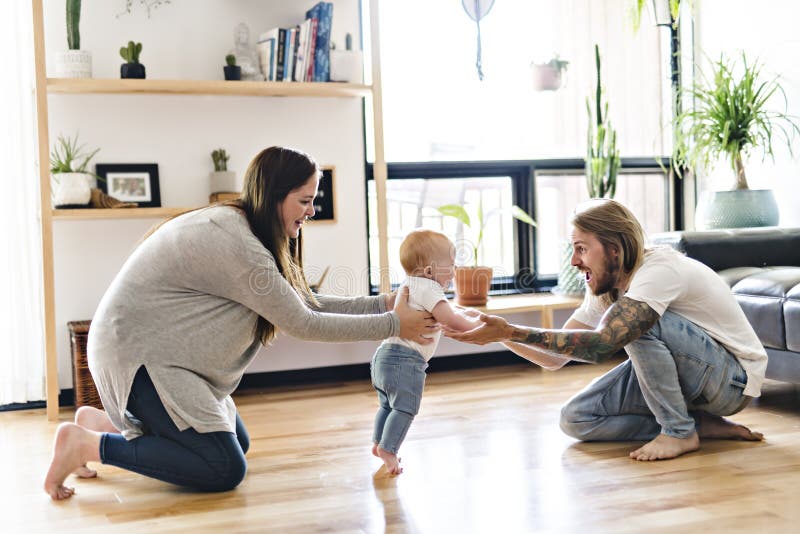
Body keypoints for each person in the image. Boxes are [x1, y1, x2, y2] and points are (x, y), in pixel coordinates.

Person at [44, 146, 437, 500]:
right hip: (139, 356)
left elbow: (300, 301)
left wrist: (383, 305)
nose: (311, 211)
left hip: (163, 358)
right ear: (275, 196)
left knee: (236, 443)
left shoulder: (247, 229)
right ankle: (86, 445)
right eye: (304, 200)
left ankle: (102, 426)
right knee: (222, 467)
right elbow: (303, 323)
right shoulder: (237, 243)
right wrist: (392, 325)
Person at [447, 198, 766, 461]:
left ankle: (678, 432)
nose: (574, 261)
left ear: (614, 249)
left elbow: (601, 345)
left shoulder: (657, 270)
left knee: (633, 324)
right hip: (690, 375)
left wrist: (512, 331)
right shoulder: (607, 284)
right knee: (575, 419)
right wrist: (500, 333)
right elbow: (553, 359)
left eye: (582, 248)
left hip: (732, 381)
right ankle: (696, 424)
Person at [371, 229, 480, 474]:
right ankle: (389, 449)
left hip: (383, 357)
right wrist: (477, 327)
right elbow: (448, 318)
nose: (454, 271)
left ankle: (378, 443)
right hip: (405, 361)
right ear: (430, 271)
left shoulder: (407, 285)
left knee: (387, 406)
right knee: (405, 408)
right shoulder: (430, 288)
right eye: (450, 265)